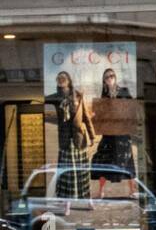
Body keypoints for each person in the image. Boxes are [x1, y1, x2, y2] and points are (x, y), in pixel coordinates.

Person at [44, 70, 95, 200]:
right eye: (59, 78)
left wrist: (92, 135)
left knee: (82, 172)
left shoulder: (78, 95)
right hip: (65, 140)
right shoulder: (55, 97)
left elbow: (86, 117)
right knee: (67, 174)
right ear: (57, 81)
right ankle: (66, 202)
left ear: (69, 80)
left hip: (79, 139)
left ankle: (87, 199)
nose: (61, 80)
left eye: (64, 78)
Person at [93, 68, 137, 199]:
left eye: (112, 76)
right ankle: (101, 191)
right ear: (104, 80)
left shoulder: (124, 91)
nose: (110, 78)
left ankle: (132, 190)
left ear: (115, 77)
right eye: (107, 77)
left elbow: (132, 110)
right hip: (109, 134)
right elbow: (101, 115)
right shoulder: (103, 96)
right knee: (102, 159)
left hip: (122, 133)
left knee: (127, 161)